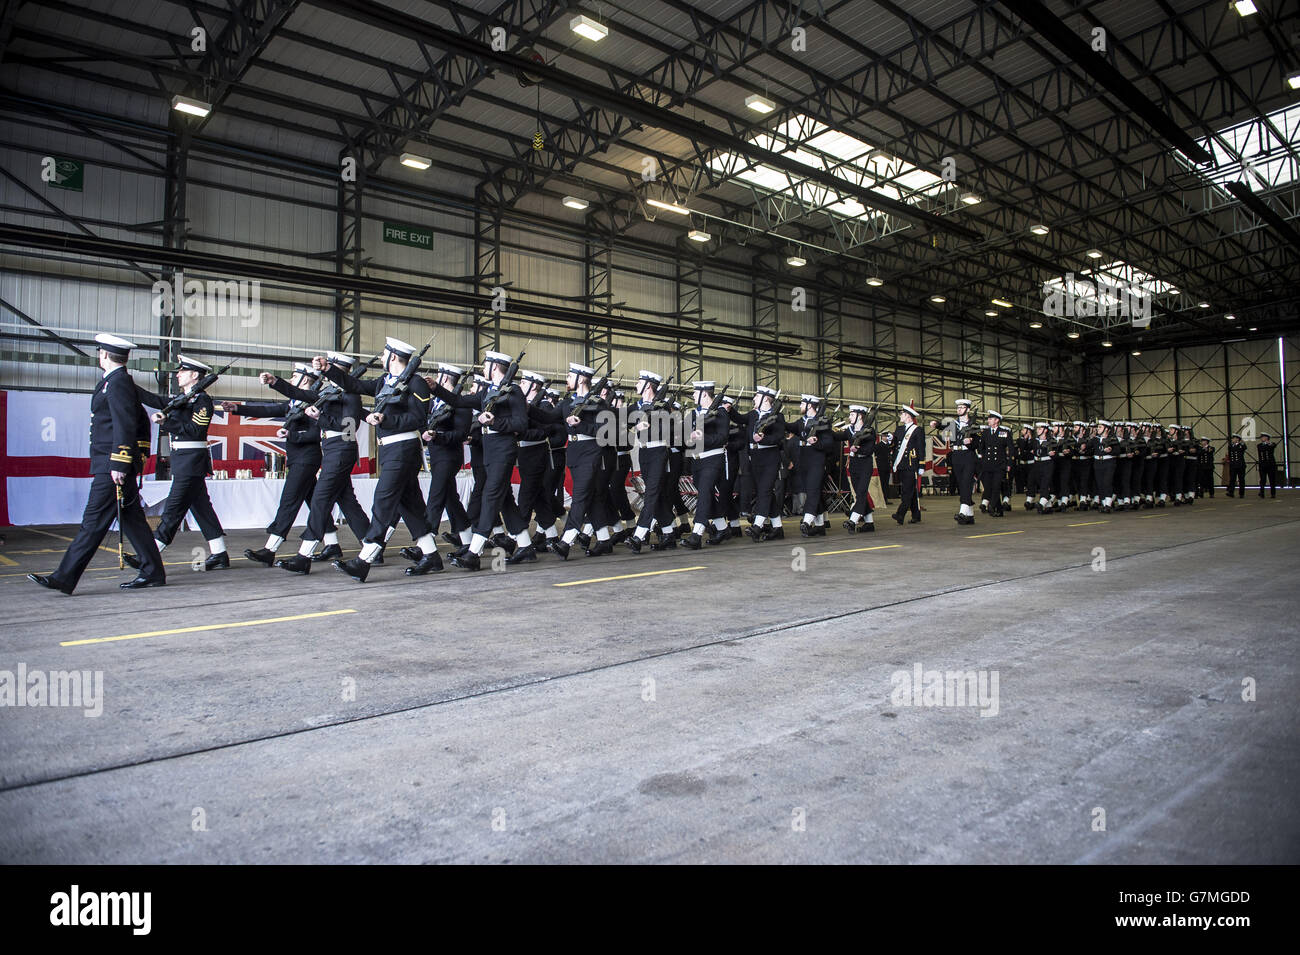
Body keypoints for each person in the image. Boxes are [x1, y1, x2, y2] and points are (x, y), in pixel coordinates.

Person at [30, 334, 165, 594]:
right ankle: (153, 571)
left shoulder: (118, 384)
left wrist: (120, 462)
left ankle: (64, 577)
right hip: (112, 462)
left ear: (103, 355)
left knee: (93, 522)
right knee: (133, 520)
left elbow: (125, 424)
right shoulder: (115, 382)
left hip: (112, 465)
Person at [315, 337, 439, 581]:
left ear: (393, 356)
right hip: (390, 450)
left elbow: (418, 419)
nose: (381, 358)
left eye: (384, 355)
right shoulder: (385, 381)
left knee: (382, 500)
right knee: (410, 505)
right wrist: (329, 370)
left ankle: (365, 559)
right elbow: (354, 385)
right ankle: (431, 555)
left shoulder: (416, 384)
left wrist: (386, 421)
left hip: (404, 448)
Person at [264, 351, 373, 573]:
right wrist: (276, 382)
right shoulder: (330, 392)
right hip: (332, 450)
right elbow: (299, 393)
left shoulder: (351, 394)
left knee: (320, 500)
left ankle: (304, 555)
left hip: (342, 449)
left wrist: (319, 418)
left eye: (329, 367)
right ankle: (371, 545)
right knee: (347, 501)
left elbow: (350, 427)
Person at [430, 349, 536, 570]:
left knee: (490, 497)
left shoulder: (513, 391)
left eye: (486, 364)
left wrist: (494, 422)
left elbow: (521, 424)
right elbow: (459, 401)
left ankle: (473, 552)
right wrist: (436, 388)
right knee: (504, 500)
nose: (483, 367)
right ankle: (525, 547)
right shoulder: (488, 391)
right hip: (490, 451)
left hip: (504, 450)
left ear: (495, 366)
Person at [127, 355, 228, 570]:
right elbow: (156, 400)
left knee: (172, 510)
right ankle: (219, 553)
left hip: (191, 462)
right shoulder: (184, 398)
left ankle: (150, 556)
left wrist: (168, 422)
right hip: (184, 461)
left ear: (194, 375)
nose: (177, 374)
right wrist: (126, 383)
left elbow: (195, 430)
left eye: (182, 371)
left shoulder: (202, 401)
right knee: (202, 510)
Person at [220, 362, 324, 567]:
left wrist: (292, 434)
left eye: (294, 376)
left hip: (307, 459)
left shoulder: (315, 403)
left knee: (289, 501)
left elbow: (317, 433)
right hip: (298, 460)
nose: (292, 379)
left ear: (305, 380)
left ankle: (271, 548)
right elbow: (269, 409)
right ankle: (332, 543)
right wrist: (237, 408)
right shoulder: (295, 403)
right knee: (316, 504)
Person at [742, 386, 786, 541]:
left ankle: (757, 525)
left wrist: (764, 439)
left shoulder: (778, 417)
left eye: (757, 395)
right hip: (756, 457)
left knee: (765, 490)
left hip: (770, 457)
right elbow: (740, 419)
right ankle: (778, 528)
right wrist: (727, 409)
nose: (754, 398)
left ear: (766, 398)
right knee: (766, 492)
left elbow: (779, 437)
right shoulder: (754, 414)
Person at [933, 398, 976, 524]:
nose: (959, 410)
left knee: (966, 482)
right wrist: (936, 424)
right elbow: (944, 428)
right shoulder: (953, 424)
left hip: (968, 455)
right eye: (958, 408)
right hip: (956, 455)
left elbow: (978, 444)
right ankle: (970, 514)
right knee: (961, 484)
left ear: (968, 409)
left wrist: (970, 443)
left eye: (962, 408)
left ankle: (963, 511)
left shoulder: (973, 425)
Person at [834, 405, 876, 533]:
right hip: (854, 464)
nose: (849, 417)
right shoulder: (850, 430)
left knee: (862, 492)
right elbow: (837, 437)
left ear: (860, 416)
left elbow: (870, 449)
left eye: (852, 415)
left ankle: (852, 520)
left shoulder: (869, 430)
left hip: (865, 463)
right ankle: (869, 523)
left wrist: (858, 449)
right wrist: (825, 429)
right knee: (859, 494)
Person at [891, 402, 926, 524]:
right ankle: (916, 515)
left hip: (911, 464)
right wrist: (891, 439)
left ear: (908, 416)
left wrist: (922, 464)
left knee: (907, 490)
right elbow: (895, 446)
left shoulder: (917, 430)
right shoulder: (899, 429)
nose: (900, 416)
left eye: (902, 414)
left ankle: (900, 514)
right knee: (910, 490)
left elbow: (921, 448)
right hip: (900, 464)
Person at [975, 410, 1012, 517]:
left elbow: (1011, 449)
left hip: (999, 465)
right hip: (987, 464)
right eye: (988, 418)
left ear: (997, 421)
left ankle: (992, 505)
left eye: (991, 419)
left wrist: (1009, 464)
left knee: (996, 486)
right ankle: (999, 510)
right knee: (989, 486)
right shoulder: (985, 433)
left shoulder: (1004, 432)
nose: (988, 420)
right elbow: (981, 447)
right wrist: (982, 458)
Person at [1258, 433, 1278, 498]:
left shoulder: (1272, 444)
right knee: (1262, 480)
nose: (1261, 438)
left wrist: (1268, 444)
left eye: (1263, 437)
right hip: (1263, 465)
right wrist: (1268, 444)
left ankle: (1273, 493)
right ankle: (1262, 492)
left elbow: (1274, 445)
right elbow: (1262, 448)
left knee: (1272, 480)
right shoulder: (1259, 445)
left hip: (1271, 465)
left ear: (1266, 438)